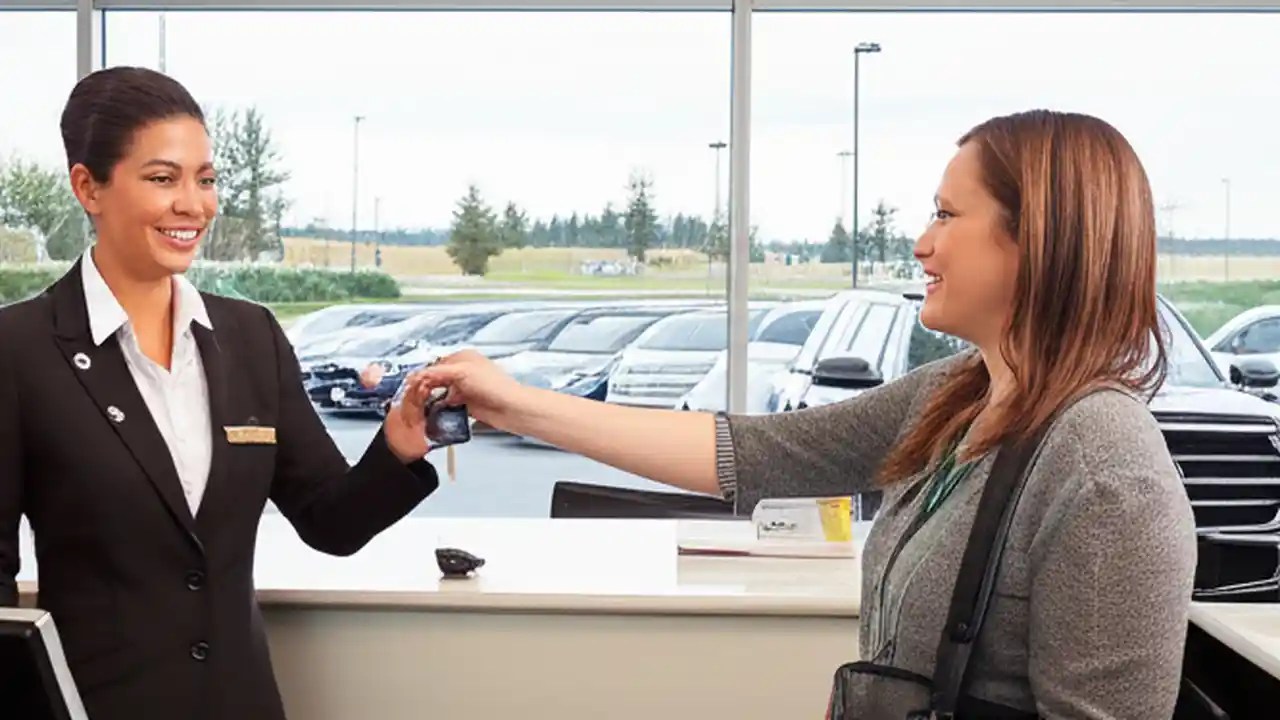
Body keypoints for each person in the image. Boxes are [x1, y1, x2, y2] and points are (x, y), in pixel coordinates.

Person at [419, 110, 1198, 718]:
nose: (922, 244)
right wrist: (517, 405)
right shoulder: (956, 399)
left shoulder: (1102, 466)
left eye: (947, 215)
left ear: (1038, 240)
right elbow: (751, 454)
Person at [0, 67, 444, 720]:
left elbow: (330, 520)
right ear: (87, 187)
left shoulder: (249, 337)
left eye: (205, 179)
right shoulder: (19, 350)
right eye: (163, 178)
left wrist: (399, 448)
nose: (194, 204)